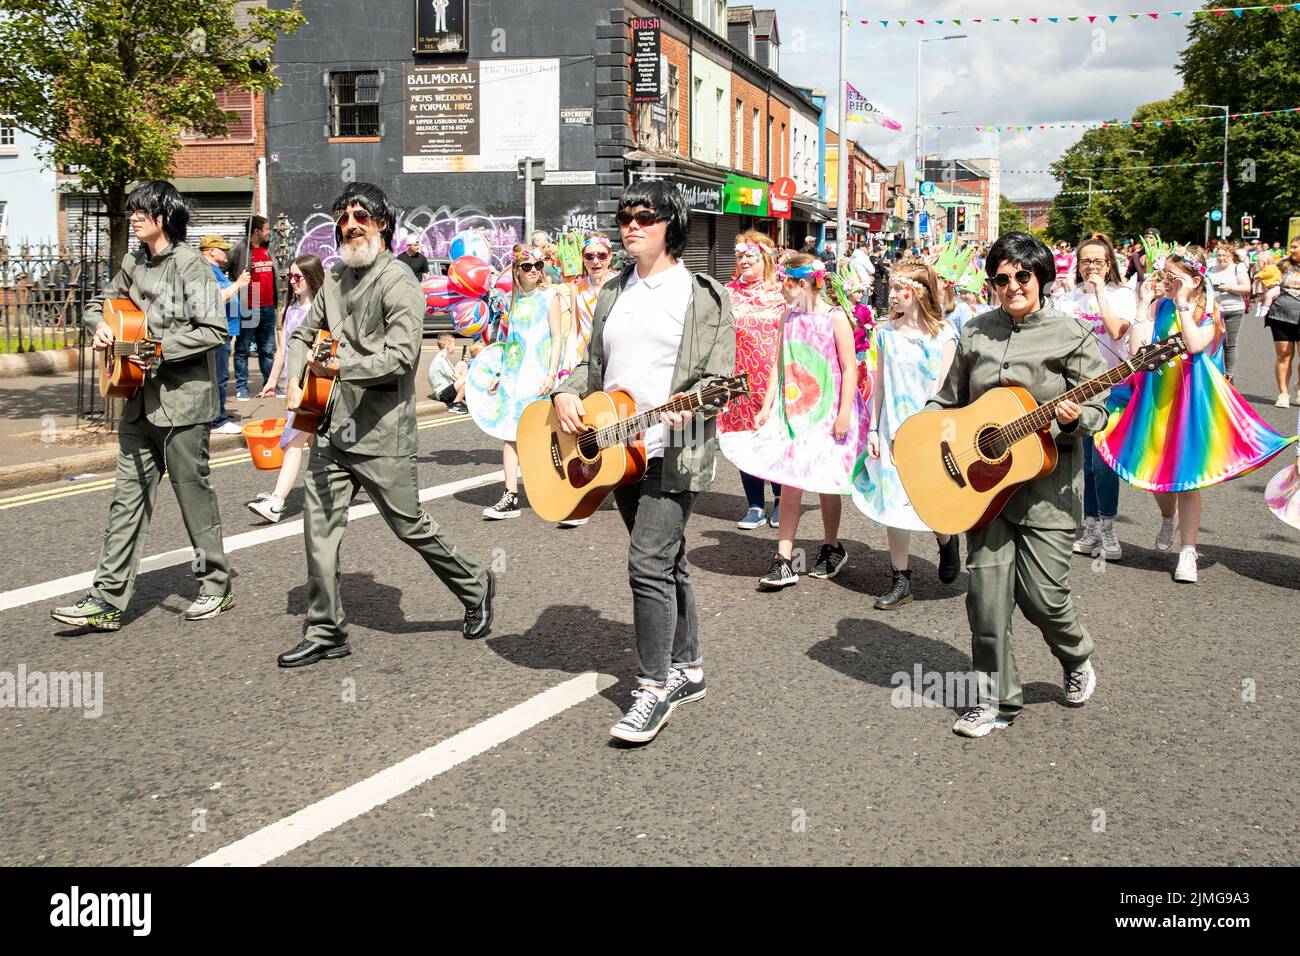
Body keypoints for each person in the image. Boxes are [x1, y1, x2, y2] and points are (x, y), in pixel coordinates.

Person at [277, 182, 495, 667]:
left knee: (408, 525)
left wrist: (341, 368)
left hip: (381, 432)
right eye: (343, 217)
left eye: (361, 216)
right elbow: (303, 336)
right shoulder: (332, 280)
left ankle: (476, 582)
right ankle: (327, 629)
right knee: (319, 529)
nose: (350, 224)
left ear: (381, 226)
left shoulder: (399, 281)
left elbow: (400, 358)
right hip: (332, 426)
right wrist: (296, 380)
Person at [552, 179, 735, 745]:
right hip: (618, 451)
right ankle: (690, 668)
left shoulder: (702, 295)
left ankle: (652, 688)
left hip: (675, 451)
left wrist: (692, 409)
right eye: (625, 214)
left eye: (645, 216)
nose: (630, 224)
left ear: (671, 225)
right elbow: (592, 365)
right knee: (670, 560)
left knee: (646, 563)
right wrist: (565, 392)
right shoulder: (612, 292)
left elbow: (720, 381)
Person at [925, 232, 1108, 738]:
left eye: (1022, 276)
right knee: (985, 597)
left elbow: (1098, 410)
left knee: (1042, 597)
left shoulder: (1071, 334)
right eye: (1001, 278)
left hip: (1048, 492)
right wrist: (925, 436)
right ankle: (994, 700)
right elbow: (949, 401)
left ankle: (1076, 656)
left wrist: (1072, 420)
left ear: (1042, 279)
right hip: (982, 490)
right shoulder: (976, 333)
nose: (1012, 285)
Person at [51, 180, 233, 632]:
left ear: (163, 216)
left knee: (193, 496)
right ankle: (107, 600)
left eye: (140, 211)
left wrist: (157, 348)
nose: (132, 217)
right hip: (136, 402)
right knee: (125, 503)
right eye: (131, 211)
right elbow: (98, 304)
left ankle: (216, 585)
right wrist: (100, 327)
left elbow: (213, 331)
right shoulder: (133, 262)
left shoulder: (192, 267)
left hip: (183, 404)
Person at [1097, 247, 1295, 584]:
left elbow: (1193, 345)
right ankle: (1166, 517)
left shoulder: (1209, 311)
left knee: (1186, 479)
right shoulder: (1159, 306)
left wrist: (1184, 303)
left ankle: (1188, 550)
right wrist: (1144, 305)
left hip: (1191, 404)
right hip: (1156, 402)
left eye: (1175, 278)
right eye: (1165, 276)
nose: (1167, 283)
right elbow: (1136, 350)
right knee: (1158, 479)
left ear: (1195, 281)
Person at [719, 253, 868, 590]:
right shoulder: (788, 317)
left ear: (803, 284)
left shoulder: (835, 318)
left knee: (826, 483)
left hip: (827, 411)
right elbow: (777, 366)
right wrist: (767, 406)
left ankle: (831, 546)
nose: (781, 289)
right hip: (793, 413)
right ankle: (784, 560)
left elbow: (849, 368)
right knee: (789, 483)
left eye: (785, 283)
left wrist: (844, 413)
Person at [851, 257, 959, 608]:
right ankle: (901, 580)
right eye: (892, 288)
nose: (892, 295)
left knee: (929, 502)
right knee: (893, 501)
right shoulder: (884, 335)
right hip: (891, 429)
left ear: (918, 292)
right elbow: (879, 386)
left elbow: (946, 392)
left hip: (929, 433)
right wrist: (872, 429)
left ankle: (946, 540)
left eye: (899, 289)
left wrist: (936, 432)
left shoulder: (944, 335)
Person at [468, 243, 563, 519]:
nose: (533, 271)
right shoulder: (514, 301)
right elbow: (509, 342)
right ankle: (510, 496)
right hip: (514, 377)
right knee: (510, 436)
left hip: (539, 376)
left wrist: (551, 373)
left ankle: (555, 491)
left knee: (545, 435)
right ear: (516, 271)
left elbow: (557, 337)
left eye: (537, 266)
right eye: (526, 267)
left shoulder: (550, 296)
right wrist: (500, 373)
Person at [1058, 233, 1137, 561]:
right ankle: (1090, 526)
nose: (1091, 266)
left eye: (1098, 261)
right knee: (1086, 464)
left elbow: (1117, 330)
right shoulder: (1068, 299)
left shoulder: (1123, 295)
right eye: (1086, 260)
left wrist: (1101, 290)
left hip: (1114, 386)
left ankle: (1108, 527)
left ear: (1109, 265)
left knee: (1105, 464)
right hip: (1079, 389)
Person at [247, 253, 326, 523]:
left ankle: (277, 502)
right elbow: (283, 349)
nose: (292, 281)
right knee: (318, 442)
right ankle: (339, 487)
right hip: (294, 387)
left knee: (294, 442)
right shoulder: (290, 308)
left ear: (312, 277)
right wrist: (271, 381)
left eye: (297, 277)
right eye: (290, 277)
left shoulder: (320, 310)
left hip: (312, 386)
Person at [718, 230, 785, 531]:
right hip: (739, 381)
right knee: (744, 440)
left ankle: (782, 498)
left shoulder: (783, 292)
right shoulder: (726, 292)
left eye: (749, 255)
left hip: (774, 379)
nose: (742, 260)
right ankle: (755, 504)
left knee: (775, 439)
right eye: (739, 255)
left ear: (765, 258)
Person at [199, 234, 249, 436]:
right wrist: (238, 284)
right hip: (216, 333)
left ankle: (216, 416)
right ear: (211, 251)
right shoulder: (207, 271)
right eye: (222, 248)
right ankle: (218, 421)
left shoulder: (216, 271)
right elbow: (214, 300)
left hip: (224, 332)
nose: (227, 252)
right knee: (218, 377)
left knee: (218, 377)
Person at [226, 215, 279, 401]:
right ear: (256, 231)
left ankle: (270, 385)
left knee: (267, 349)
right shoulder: (239, 250)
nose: (269, 232)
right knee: (242, 350)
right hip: (248, 306)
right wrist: (232, 288)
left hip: (268, 307)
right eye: (266, 229)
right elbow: (222, 268)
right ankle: (242, 388)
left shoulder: (268, 249)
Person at [1207, 241, 1250, 382]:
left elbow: (1246, 287)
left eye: (1224, 255)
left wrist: (1228, 288)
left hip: (1233, 310)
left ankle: (1229, 375)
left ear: (1231, 256)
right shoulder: (1211, 269)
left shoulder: (1238, 268)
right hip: (1214, 311)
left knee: (1229, 344)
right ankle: (1214, 373)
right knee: (1213, 343)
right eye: (1219, 255)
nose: (1221, 258)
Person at [1262, 263, 1300, 407]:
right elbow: (1265, 277)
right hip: (1281, 315)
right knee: (1284, 355)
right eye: (1292, 247)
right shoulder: (1283, 265)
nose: (1293, 249)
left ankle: (1298, 386)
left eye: (1296, 246)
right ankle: (1283, 393)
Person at [427, 331, 469, 414]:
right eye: (453, 344)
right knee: (467, 381)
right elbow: (457, 377)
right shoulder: (441, 360)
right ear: (448, 345)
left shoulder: (441, 357)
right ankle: (456, 404)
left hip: (443, 390)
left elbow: (454, 374)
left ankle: (465, 396)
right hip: (442, 394)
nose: (454, 347)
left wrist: (463, 364)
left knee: (462, 365)